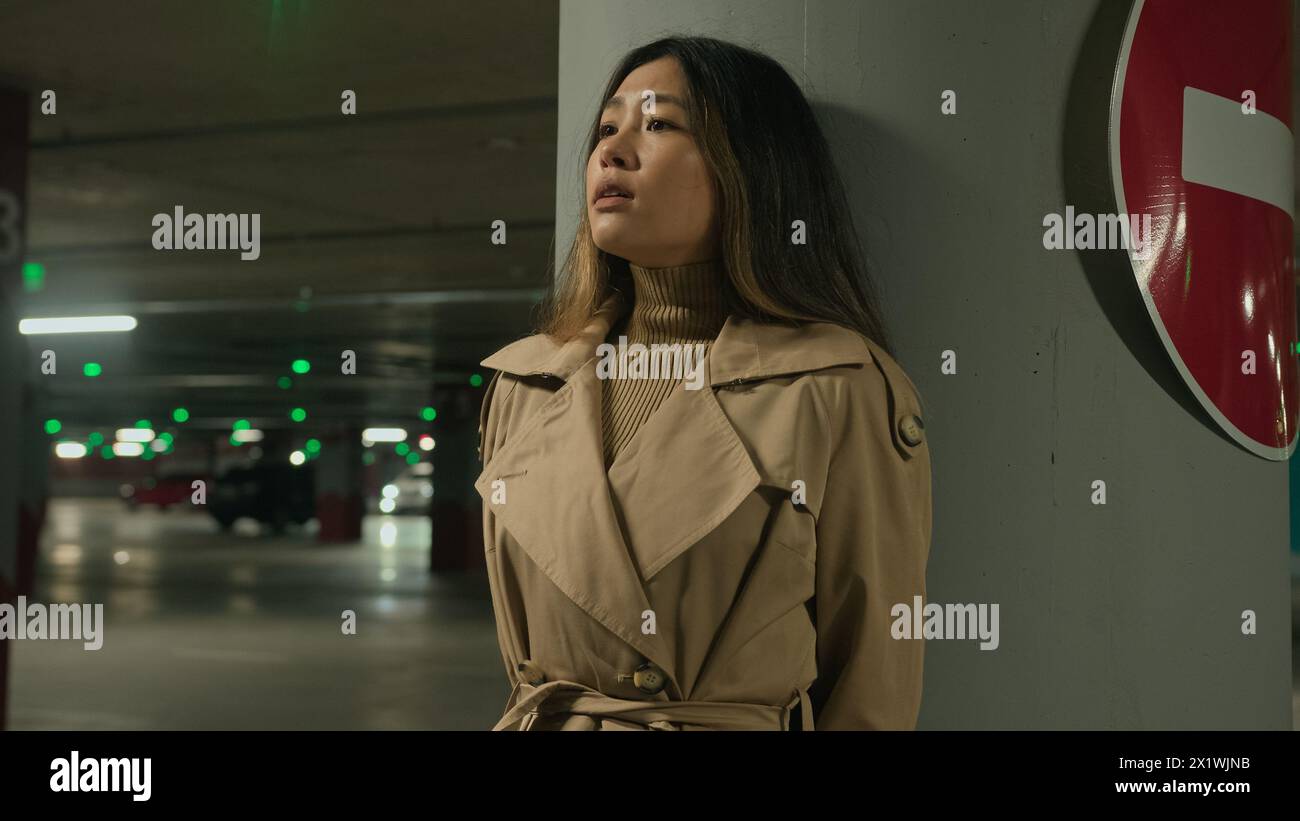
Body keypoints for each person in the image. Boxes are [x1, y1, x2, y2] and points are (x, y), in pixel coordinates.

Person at [474, 35, 932, 730]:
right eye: (607, 128)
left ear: (749, 168)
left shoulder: (834, 387)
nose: (614, 150)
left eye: (658, 124)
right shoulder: (526, 382)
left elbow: (874, 681)